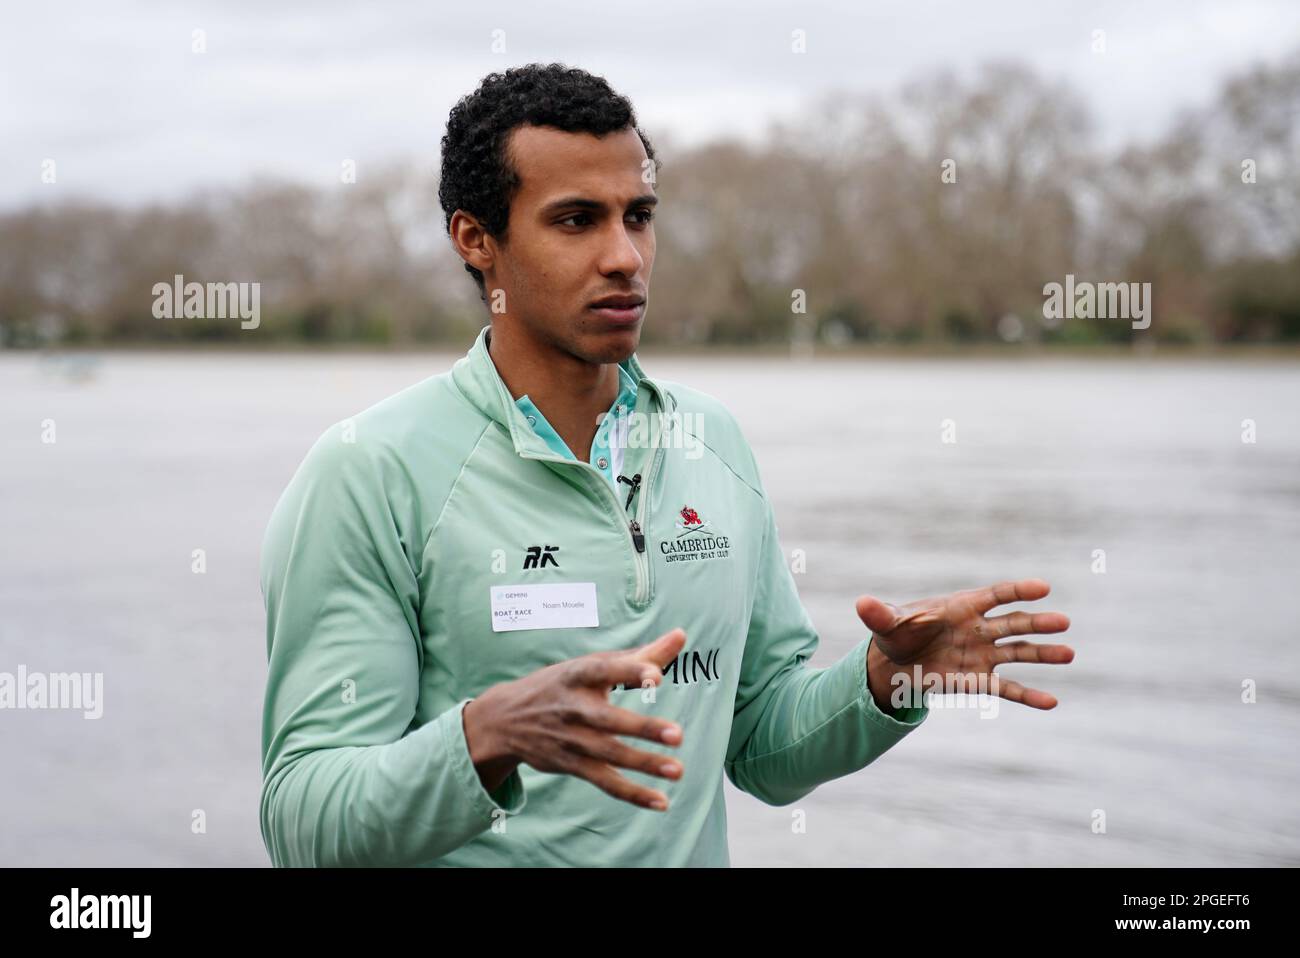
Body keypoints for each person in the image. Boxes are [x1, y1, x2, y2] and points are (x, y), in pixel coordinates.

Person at [258, 62, 1075, 868]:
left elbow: (759, 745)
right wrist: (483, 739)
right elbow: (305, 821)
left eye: (639, 216)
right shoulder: (370, 472)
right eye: (576, 220)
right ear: (476, 240)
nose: (625, 256)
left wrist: (882, 682)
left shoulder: (713, 441)